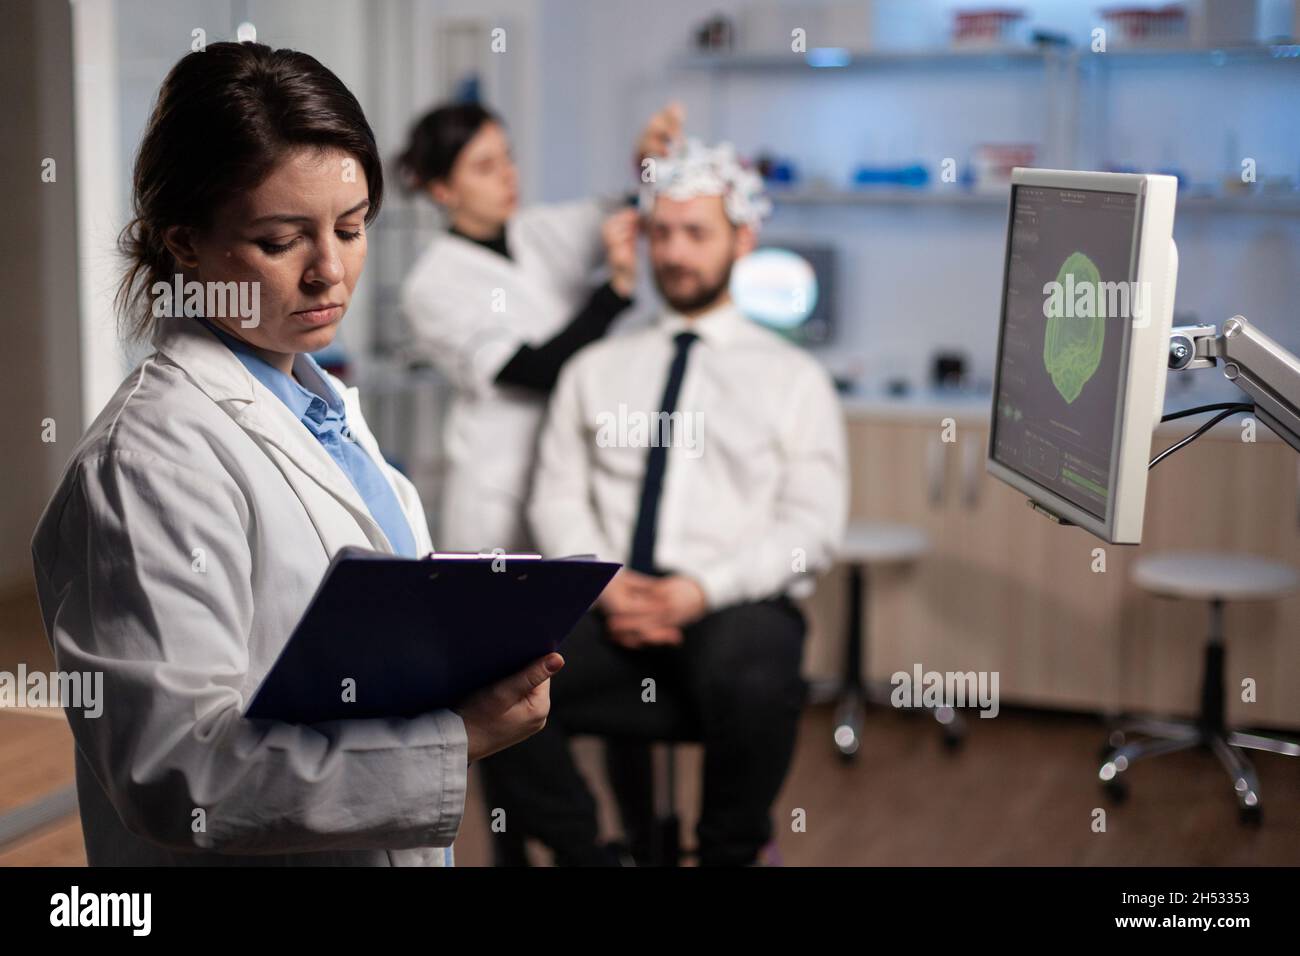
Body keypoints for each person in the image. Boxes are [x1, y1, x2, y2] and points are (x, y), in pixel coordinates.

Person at [29, 41, 560, 867]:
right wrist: (455, 741)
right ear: (185, 243)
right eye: (281, 241)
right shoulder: (149, 463)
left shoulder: (322, 414)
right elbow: (176, 774)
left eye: (351, 228)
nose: (329, 272)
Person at [479, 139, 848, 866]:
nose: (675, 253)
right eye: (663, 232)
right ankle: (588, 854)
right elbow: (556, 494)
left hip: (732, 602)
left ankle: (729, 852)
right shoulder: (595, 368)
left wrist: (699, 590)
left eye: (697, 233)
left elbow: (811, 527)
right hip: (611, 598)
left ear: (743, 239)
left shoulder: (793, 378)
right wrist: (609, 584)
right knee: (491, 664)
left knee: (755, 670)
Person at [398, 100, 683, 552]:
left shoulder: (540, 231)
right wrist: (613, 294)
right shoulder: (432, 284)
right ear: (442, 189)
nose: (508, 175)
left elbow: (631, 212)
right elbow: (531, 371)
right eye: (485, 167)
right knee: (498, 597)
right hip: (499, 487)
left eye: (507, 158)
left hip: (572, 476)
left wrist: (647, 166)